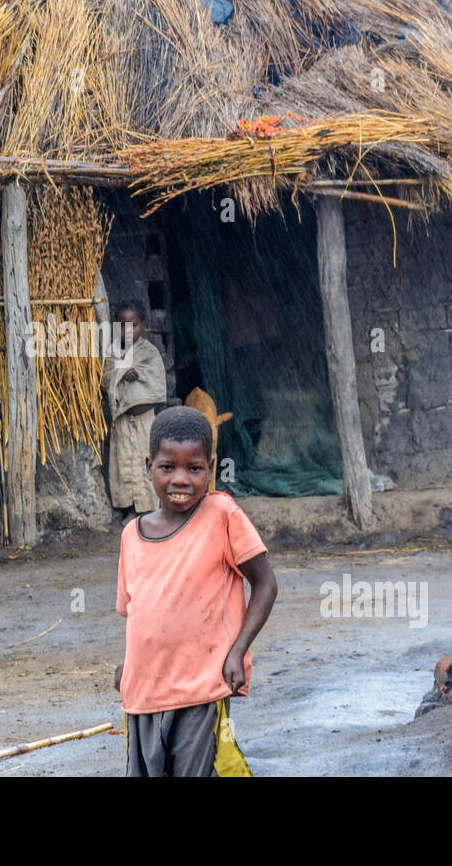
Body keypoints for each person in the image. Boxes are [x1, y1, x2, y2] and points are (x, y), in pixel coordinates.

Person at [114, 406, 278, 777]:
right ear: (148, 466)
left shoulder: (221, 515)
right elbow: (140, 614)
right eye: (167, 467)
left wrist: (237, 651)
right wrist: (131, 666)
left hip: (202, 686)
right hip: (143, 694)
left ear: (212, 467)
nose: (181, 480)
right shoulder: (131, 535)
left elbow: (265, 584)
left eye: (195, 468)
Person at [103, 303, 166, 522]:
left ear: (143, 326)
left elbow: (154, 378)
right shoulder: (112, 353)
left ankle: (145, 509)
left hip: (145, 421)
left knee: (144, 463)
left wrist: (135, 372)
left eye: (134, 325)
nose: (128, 331)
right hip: (122, 421)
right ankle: (128, 508)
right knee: (124, 465)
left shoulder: (149, 352)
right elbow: (107, 375)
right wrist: (121, 370)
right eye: (122, 326)